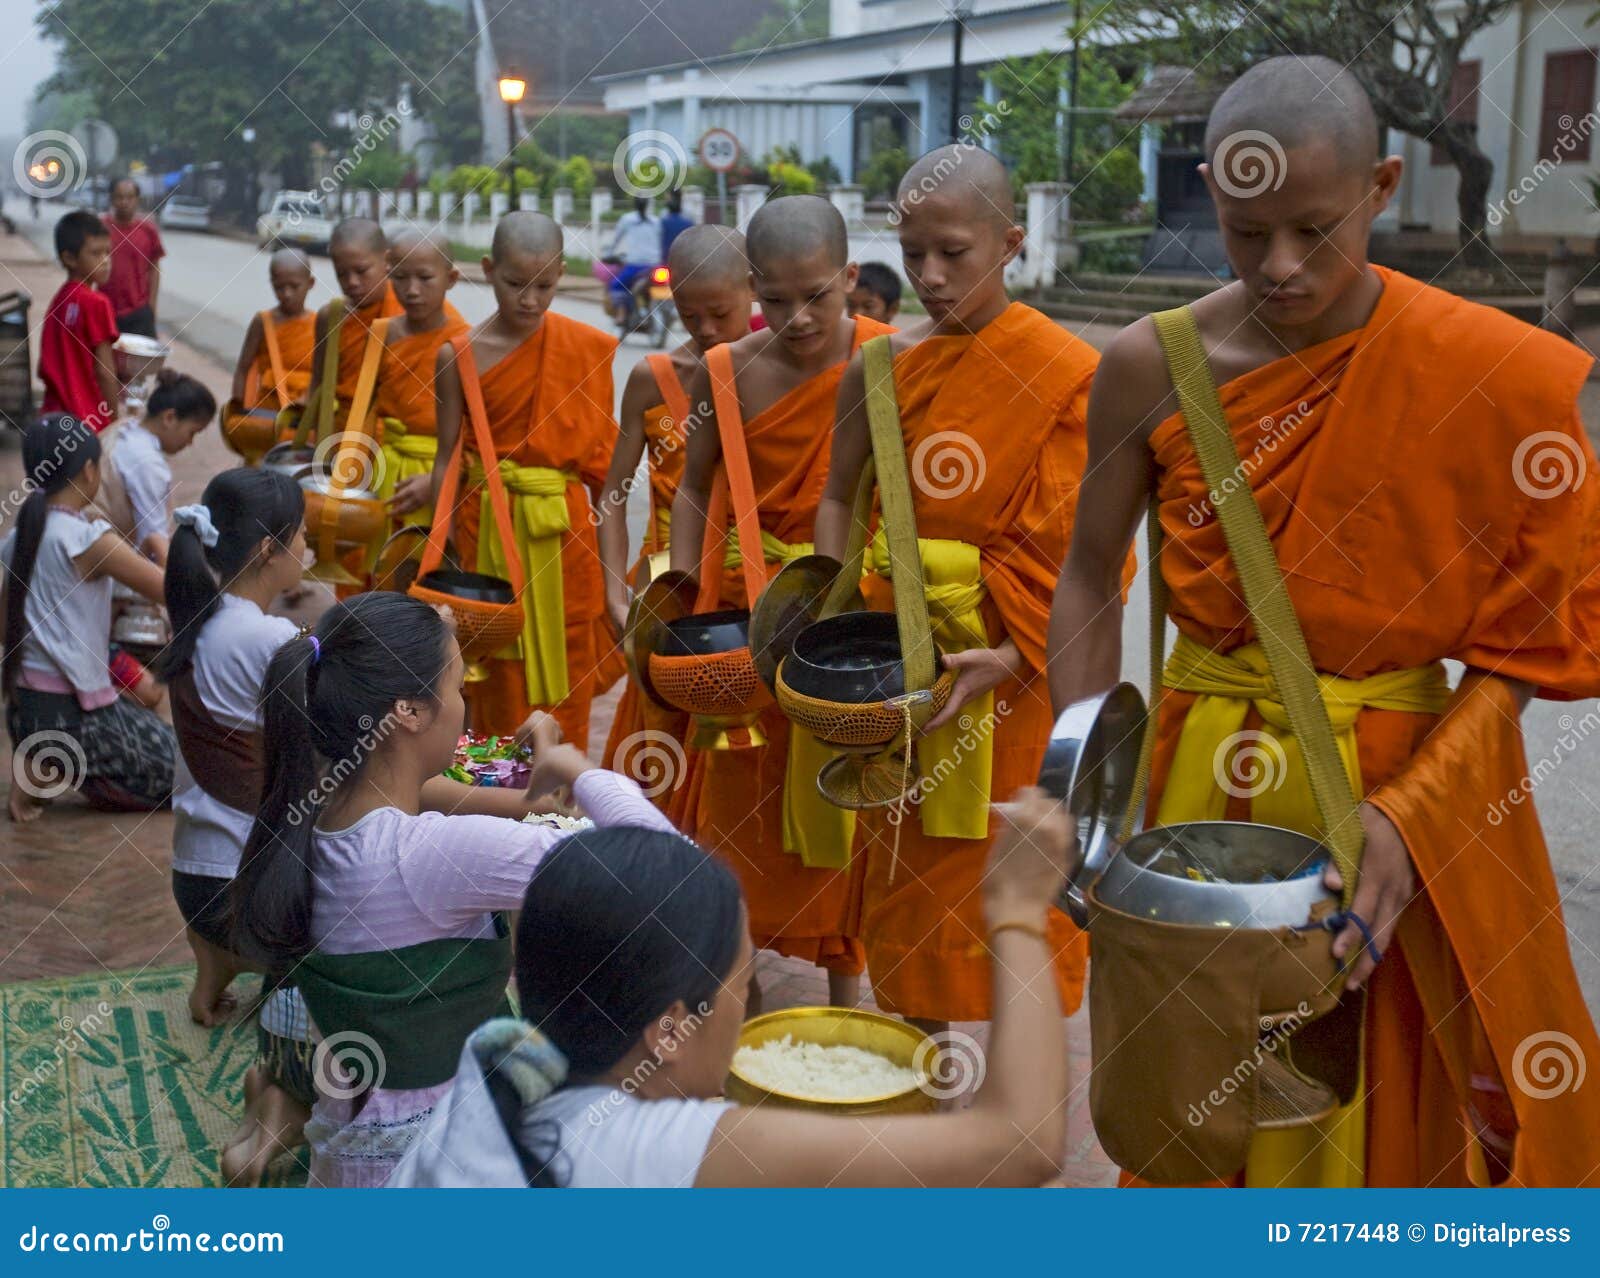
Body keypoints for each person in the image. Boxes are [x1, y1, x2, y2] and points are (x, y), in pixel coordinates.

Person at [1045, 56, 1600, 1188]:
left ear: (1383, 184)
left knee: (1366, 1095)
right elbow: (1090, 575)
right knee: (1192, 1087)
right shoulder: (1150, 366)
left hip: (1396, 798)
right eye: (1247, 233)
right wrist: (1081, 786)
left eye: (1315, 228)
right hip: (1199, 781)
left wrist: (1417, 816)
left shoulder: (1486, 373)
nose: (1280, 266)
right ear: (1212, 189)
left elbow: (1531, 646)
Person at [391, 786, 1078, 1188]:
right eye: (740, 985)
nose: (743, 1011)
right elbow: (1021, 1143)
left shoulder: (501, 1060)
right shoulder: (637, 1148)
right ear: (670, 1028)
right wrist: (1016, 912)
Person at [228, 593, 677, 1187]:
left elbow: (436, 795)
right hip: (443, 1164)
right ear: (411, 712)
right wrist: (576, 769)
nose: (464, 707)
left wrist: (531, 788)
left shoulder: (313, 807)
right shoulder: (430, 856)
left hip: (353, 1154)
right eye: (459, 687)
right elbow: (668, 868)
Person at [815, 145, 1105, 1034]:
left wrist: (1016, 652)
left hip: (1015, 678)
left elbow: (1091, 556)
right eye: (914, 257)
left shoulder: (1069, 370)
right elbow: (838, 497)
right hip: (902, 668)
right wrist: (824, 632)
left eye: (956, 253)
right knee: (907, 886)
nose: (932, 277)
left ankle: (1011, 1110)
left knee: (1011, 885)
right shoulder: (880, 365)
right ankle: (922, 1077)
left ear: (1011, 242)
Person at [668, 196, 894, 1011]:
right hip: (746, 616)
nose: (797, 319)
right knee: (738, 802)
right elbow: (694, 486)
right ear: (753, 286)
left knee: (849, 797)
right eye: (776, 300)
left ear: (852, 281)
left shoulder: (890, 358)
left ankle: (845, 989)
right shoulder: (724, 369)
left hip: (844, 614)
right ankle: (744, 976)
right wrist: (690, 591)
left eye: (818, 297)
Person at [151, 468, 317, 1183]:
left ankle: (214, 967)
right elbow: (340, 714)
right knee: (356, 938)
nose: (310, 547)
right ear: (268, 552)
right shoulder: (271, 637)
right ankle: (280, 1095)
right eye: (302, 537)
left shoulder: (201, 615)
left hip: (194, 882)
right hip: (248, 898)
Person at [429, 212, 618, 745]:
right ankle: (496, 802)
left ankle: (561, 803)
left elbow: (605, 467)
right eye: (516, 285)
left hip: (564, 534)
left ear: (562, 275)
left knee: (570, 661)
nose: (530, 300)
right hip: (486, 528)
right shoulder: (457, 355)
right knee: (495, 670)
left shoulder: (584, 350)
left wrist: (615, 577)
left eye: (546, 286)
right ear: (488, 271)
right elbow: (448, 458)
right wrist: (441, 542)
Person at [597, 224, 755, 808]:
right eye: (690, 316)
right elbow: (613, 496)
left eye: (721, 312)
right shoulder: (652, 380)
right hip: (668, 592)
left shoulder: (774, 374)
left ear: (753, 290)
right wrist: (616, 596)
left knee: (739, 752)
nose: (708, 330)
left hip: (748, 586)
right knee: (659, 740)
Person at [2, 415, 174, 823]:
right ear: (89, 471)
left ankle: (42, 765)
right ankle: (62, 767)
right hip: (70, 717)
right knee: (188, 776)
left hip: (25, 710)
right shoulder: (88, 539)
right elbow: (169, 591)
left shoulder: (16, 537)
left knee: (165, 741)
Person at [372, 227, 467, 531]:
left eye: (425, 279)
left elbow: (479, 434)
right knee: (376, 570)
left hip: (442, 480)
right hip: (382, 471)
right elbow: (366, 409)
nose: (412, 291)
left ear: (450, 279)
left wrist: (435, 482)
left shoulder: (465, 343)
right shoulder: (381, 334)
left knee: (425, 569)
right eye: (400, 278)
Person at [97, 370, 216, 566]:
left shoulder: (125, 427)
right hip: (113, 569)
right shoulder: (147, 464)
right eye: (192, 432)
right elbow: (155, 542)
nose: (190, 442)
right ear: (169, 418)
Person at [303, 218, 404, 439]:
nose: (352, 282)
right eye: (342, 274)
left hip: (390, 444)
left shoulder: (411, 312)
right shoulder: (331, 317)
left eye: (361, 270)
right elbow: (318, 384)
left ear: (387, 260)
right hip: (339, 437)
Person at [37, 210, 121, 433]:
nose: (106, 262)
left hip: (52, 419)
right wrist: (115, 422)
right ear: (69, 258)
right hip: (88, 421)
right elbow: (105, 372)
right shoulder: (96, 303)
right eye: (96, 254)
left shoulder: (59, 299)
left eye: (107, 252)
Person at [230, 249, 317, 413]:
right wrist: (237, 409)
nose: (287, 294)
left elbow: (323, 377)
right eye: (279, 287)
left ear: (310, 283)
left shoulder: (319, 324)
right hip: (266, 414)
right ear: (272, 283)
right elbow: (243, 368)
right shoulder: (263, 321)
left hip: (304, 415)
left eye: (294, 286)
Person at [102, 177, 164, 338]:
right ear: (111, 199)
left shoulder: (148, 230)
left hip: (139, 311)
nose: (124, 202)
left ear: (137, 200)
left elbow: (154, 268)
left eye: (129, 197)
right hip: (105, 309)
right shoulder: (100, 229)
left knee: (143, 361)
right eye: (119, 197)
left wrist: (152, 306)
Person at [605, 196, 661, 324]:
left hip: (635, 265)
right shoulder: (656, 221)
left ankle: (621, 314)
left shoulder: (627, 219)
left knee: (616, 286)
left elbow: (615, 240)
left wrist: (608, 254)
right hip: (655, 265)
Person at [659, 188, 694, 262]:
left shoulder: (664, 218)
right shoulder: (688, 218)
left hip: (667, 256)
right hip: (682, 256)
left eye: (668, 197)